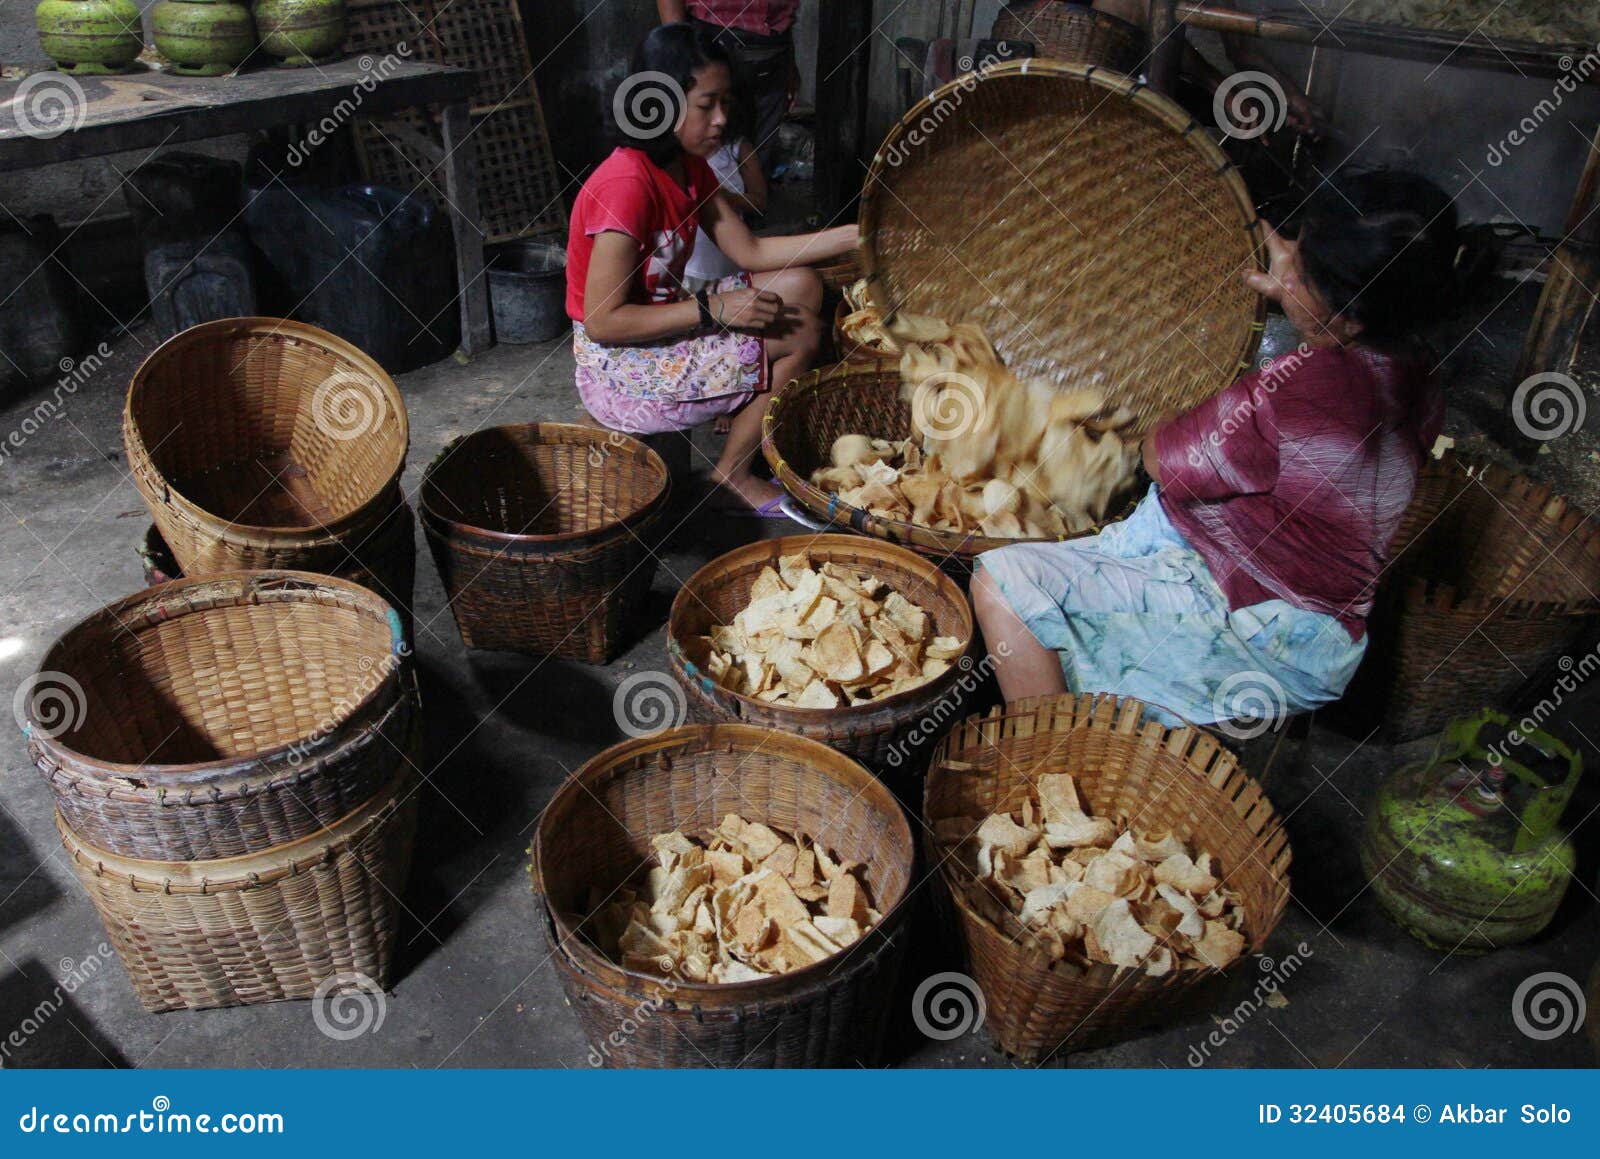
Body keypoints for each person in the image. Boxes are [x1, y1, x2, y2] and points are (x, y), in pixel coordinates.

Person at [972, 170, 1455, 726]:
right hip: (1328, 624)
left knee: (1004, 584)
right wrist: (1304, 305)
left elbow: (1162, 461)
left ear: (1344, 316)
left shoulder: (1302, 387)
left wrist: (1169, 417)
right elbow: (1335, 384)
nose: (1287, 260)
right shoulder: (1420, 370)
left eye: (1301, 265)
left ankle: (1058, 755)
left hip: (1256, 619)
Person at [567, 23, 853, 515]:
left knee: (802, 284)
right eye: (706, 105)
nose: (721, 120)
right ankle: (732, 476)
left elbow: (751, 253)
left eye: (725, 103)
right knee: (803, 332)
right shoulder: (626, 185)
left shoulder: (687, 163)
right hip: (617, 362)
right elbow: (603, 321)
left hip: (662, 318)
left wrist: (854, 235)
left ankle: (741, 408)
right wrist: (712, 308)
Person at [656, 1, 800, 171]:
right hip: (712, 41)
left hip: (774, 52)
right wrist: (680, 54)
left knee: (760, 159)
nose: (720, 118)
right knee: (709, 161)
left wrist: (790, 62)